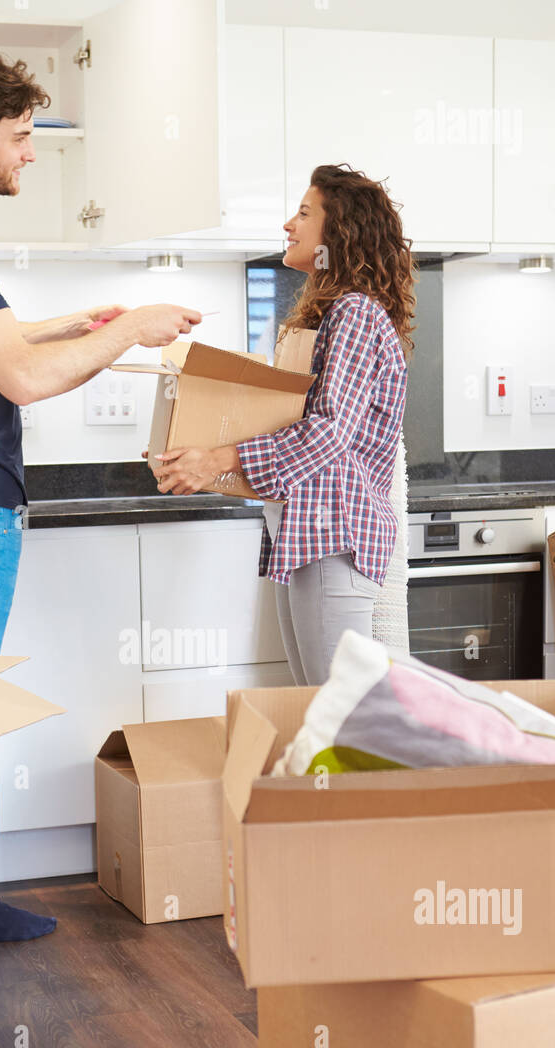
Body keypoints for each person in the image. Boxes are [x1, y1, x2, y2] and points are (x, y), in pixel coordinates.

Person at [0, 53, 201, 941]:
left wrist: (78, 322)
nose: (29, 156)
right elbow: (17, 377)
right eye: (19, 139)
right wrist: (131, 329)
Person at [154, 163, 414, 685]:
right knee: (317, 711)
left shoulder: (356, 314)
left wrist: (220, 460)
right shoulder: (330, 316)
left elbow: (330, 430)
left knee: (337, 721)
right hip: (309, 537)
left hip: (334, 536)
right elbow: (291, 419)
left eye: (303, 213)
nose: (287, 225)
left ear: (340, 230)